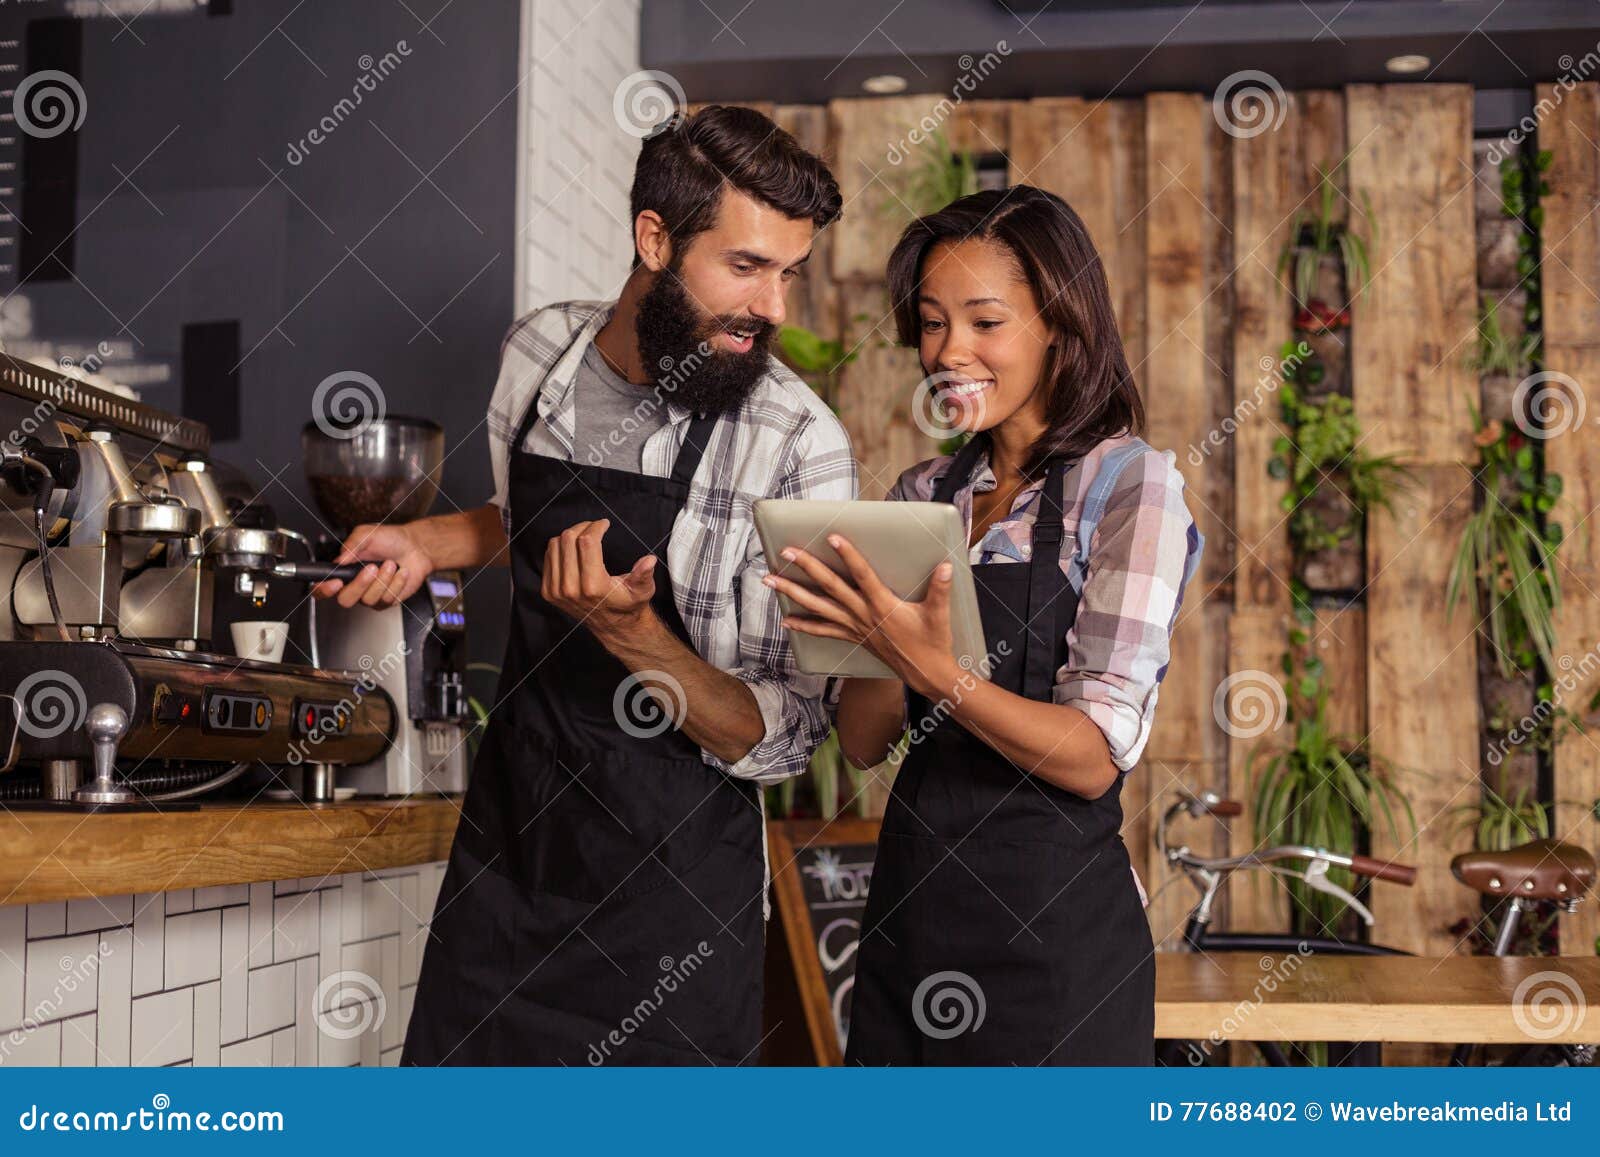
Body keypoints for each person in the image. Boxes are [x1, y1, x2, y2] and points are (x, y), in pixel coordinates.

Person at [312, 106, 856, 1065]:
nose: (774, 306)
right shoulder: (539, 354)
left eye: (790, 272)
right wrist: (431, 540)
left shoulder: (798, 444)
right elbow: (527, 518)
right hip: (510, 866)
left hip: (674, 914)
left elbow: (789, 735)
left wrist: (633, 636)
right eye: (746, 266)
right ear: (655, 239)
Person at [763, 185, 1202, 1065]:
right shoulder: (924, 495)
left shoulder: (1130, 487)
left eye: (985, 321)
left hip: (1055, 948)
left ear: (1061, 325)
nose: (948, 351)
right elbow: (863, 741)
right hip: (913, 917)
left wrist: (936, 668)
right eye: (932, 322)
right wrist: (870, 635)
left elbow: (1090, 755)